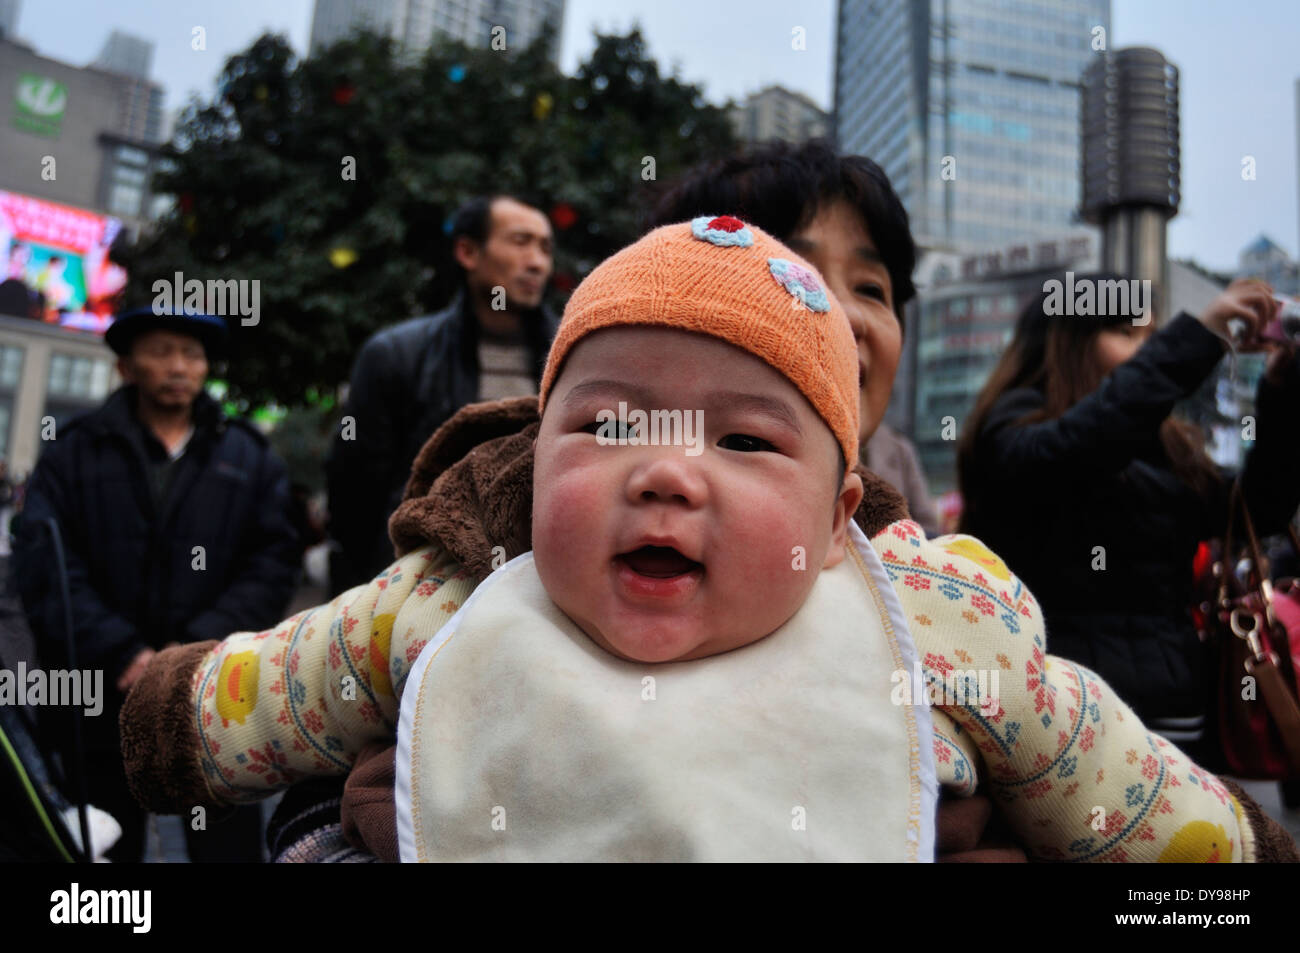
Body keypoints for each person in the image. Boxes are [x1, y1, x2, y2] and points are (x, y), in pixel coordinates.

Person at [122, 223, 1297, 861]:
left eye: (744, 441)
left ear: (842, 519)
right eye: (611, 424)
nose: (668, 468)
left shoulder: (925, 622)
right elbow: (289, 680)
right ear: (535, 464)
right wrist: (166, 711)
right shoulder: (454, 598)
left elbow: (1094, 764)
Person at [958, 274, 1300, 762]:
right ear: (1069, 340)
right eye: (1128, 332)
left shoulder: (1169, 444)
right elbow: (1081, 445)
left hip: (1179, 724)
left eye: (1152, 335)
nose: (1148, 349)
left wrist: (1282, 392)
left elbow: (1256, 509)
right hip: (1054, 725)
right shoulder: (1015, 424)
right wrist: (1199, 338)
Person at [12, 306, 300, 862]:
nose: (178, 366)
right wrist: (122, 652)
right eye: (161, 351)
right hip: (97, 697)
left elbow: (273, 562)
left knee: (226, 845)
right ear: (125, 366)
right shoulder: (74, 451)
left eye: (191, 354)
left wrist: (193, 652)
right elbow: (46, 564)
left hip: (214, 694)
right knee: (100, 848)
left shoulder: (246, 454)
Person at [325, 194, 559, 596]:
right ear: (468, 252)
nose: (537, 262)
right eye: (521, 242)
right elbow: (355, 492)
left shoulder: (574, 354)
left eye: (545, 248)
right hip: (420, 586)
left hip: (543, 589)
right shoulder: (396, 355)